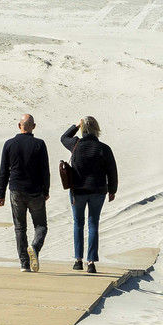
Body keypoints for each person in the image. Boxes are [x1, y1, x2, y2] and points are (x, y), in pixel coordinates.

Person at [60, 116, 118, 274]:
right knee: (93, 224)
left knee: (78, 223)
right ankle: (91, 262)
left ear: (82, 129)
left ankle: (78, 260)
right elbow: (112, 171)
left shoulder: (75, 144)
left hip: (77, 191)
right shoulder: (103, 148)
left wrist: (76, 125)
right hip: (97, 191)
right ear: (96, 128)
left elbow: (63, 137)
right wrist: (112, 190)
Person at [0, 113, 50, 271]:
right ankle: (34, 247)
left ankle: (24, 263)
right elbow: (45, 170)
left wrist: (1, 195)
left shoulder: (9, 144)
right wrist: (46, 190)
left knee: (20, 227)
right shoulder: (39, 144)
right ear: (33, 127)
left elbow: (3, 171)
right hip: (35, 191)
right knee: (41, 225)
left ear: (19, 126)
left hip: (16, 190)